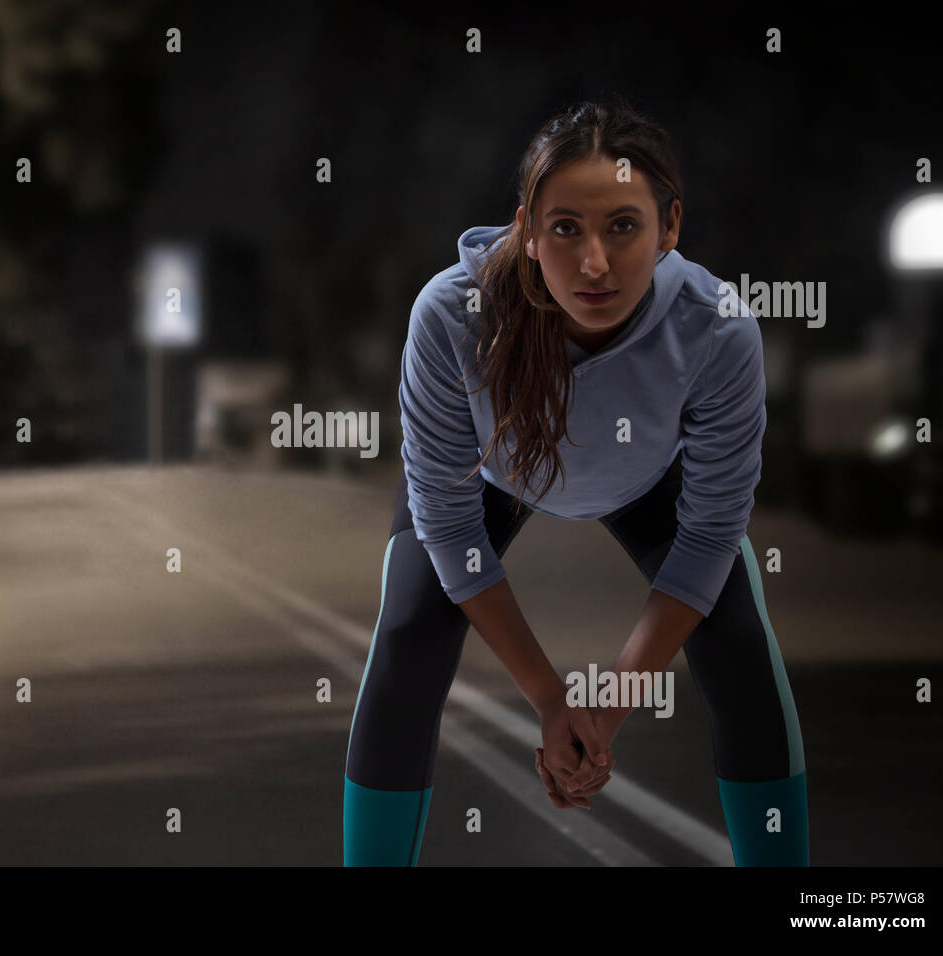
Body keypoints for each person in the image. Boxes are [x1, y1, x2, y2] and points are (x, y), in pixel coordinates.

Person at [343, 99, 808, 867]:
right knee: (408, 636)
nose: (594, 263)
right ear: (528, 229)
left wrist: (608, 709)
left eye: (623, 225)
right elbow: (452, 528)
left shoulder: (717, 326)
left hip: (650, 480)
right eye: (566, 229)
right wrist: (553, 701)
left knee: (738, 642)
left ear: (671, 228)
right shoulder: (451, 317)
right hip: (490, 478)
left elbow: (711, 532)